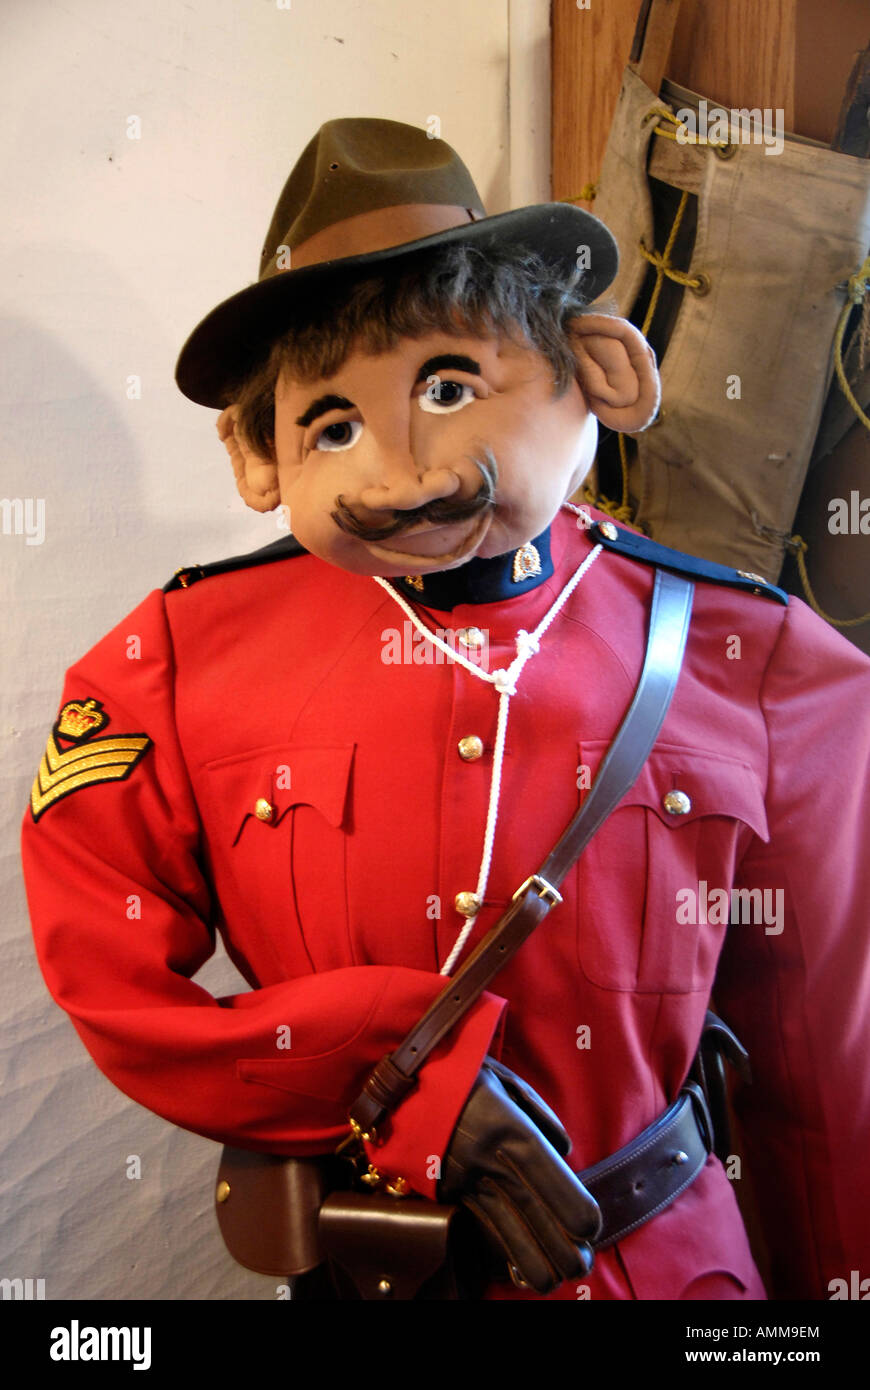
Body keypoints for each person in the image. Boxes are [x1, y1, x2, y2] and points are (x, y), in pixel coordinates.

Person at [21, 118, 870, 1301]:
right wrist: (388, 1068)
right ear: (260, 455)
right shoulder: (169, 663)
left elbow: (823, 1061)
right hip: (377, 1267)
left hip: (671, 1276)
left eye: (452, 385)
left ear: (591, 369)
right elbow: (112, 982)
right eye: (334, 423)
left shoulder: (762, 659)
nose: (404, 471)